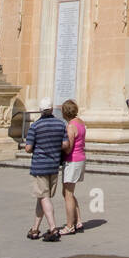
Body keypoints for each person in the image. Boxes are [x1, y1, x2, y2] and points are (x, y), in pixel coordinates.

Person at [25, 97, 67, 241]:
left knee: (44, 197)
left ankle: (53, 228)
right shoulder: (61, 124)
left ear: (41, 111)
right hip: (54, 165)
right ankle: (35, 228)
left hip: (39, 166)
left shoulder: (35, 126)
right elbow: (65, 144)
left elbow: (28, 148)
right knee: (42, 197)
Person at [59, 99, 86, 234]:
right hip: (80, 157)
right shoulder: (80, 122)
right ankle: (78, 220)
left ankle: (69, 225)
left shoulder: (70, 126)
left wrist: (59, 145)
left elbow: (68, 147)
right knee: (68, 192)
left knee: (68, 194)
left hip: (72, 160)